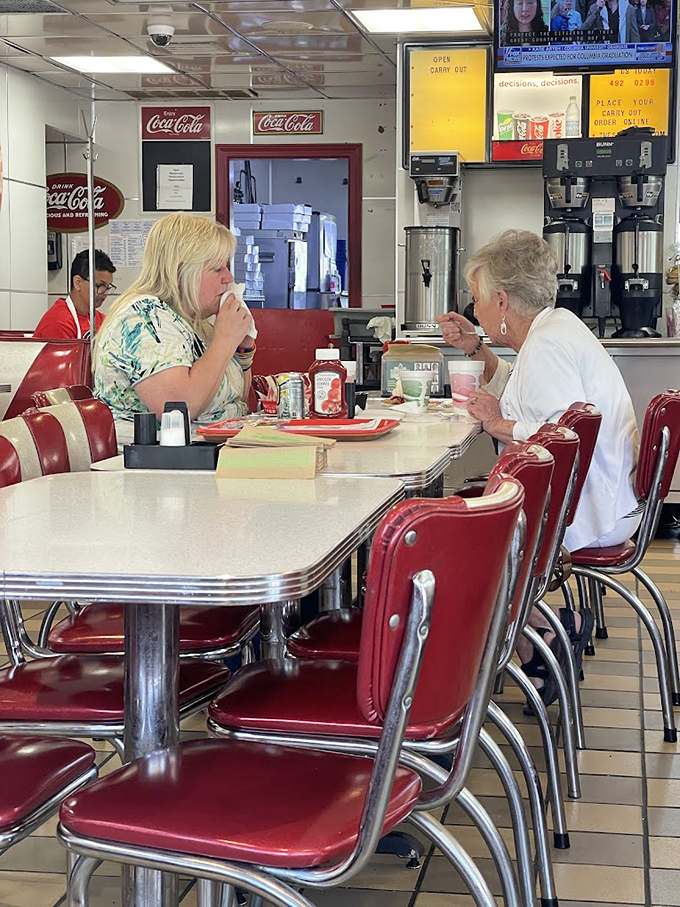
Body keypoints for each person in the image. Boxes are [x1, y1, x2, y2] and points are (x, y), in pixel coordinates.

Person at [437, 229, 641, 705]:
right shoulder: (556, 328)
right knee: (474, 528)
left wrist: (497, 423)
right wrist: (476, 350)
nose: (474, 311)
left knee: (456, 543)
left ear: (502, 301)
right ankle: (547, 630)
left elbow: (556, 438)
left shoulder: (548, 346)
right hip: (598, 496)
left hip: (584, 509)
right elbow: (520, 389)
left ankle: (535, 644)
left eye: (477, 301)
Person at [94, 213, 254, 441]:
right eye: (217, 269)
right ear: (181, 273)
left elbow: (238, 399)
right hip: (153, 465)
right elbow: (178, 407)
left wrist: (242, 350)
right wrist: (225, 341)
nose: (228, 278)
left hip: (212, 453)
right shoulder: (144, 317)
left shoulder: (197, 321)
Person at [34, 249, 116, 340]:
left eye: (108, 287)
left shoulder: (100, 320)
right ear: (77, 283)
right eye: (100, 285)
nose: (106, 293)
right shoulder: (58, 323)